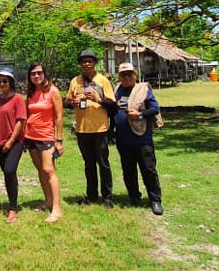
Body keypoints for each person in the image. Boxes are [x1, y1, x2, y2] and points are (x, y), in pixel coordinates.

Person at [66, 49, 116, 208]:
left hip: (100, 129)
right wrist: (71, 103)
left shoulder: (102, 81)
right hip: (82, 129)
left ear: (94, 63)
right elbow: (66, 102)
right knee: (88, 164)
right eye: (83, 61)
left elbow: (113, 105)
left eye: (89, 61)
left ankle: (108, 197)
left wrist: (98, 98)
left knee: (103, 163)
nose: (87, 64)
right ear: (80, 64)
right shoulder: (75, 81)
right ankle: (92, 195)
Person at [113, 62, 164, 215]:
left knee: (149, 170)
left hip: (142, 139)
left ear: (134, 74)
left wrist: (140, 115)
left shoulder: (143, 89)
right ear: (119, 76)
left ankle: (155, 200)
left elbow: (155, 109)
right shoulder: (116, 90)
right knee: (128, 171)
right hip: (123, 139)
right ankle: (134, 196)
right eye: (123, 74)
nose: (127, 77)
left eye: (129, 74)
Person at [25, 62, 64, 223]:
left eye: (39, 73)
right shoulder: (31, 92)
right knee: (40, 170)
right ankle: (47, 200)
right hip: (31, 136)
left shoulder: (53, 91)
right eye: (33, 73)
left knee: (49, 169)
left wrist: (59, 140)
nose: (36, 76)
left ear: (45, 74)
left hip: (47, 136)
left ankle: (57, 208)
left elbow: (59, 117)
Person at [0, 68, 27, 224]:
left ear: (11, 82)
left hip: (15, 142)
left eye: (5, 81)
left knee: (10, 170)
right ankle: (12, 202)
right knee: (7, 173)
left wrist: (11, 141)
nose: (2, 84)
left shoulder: (17, 99)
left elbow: (21, 121)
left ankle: (13, 209)